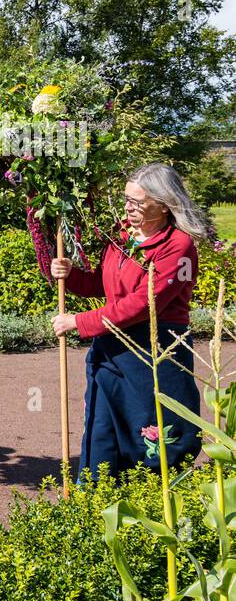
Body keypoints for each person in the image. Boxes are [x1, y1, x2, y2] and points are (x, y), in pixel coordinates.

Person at [50, 163, 206, 480]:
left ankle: (155, 503)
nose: (128, 207)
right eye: (126, 199)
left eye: (137, 201)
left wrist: (78, 322)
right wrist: (71, 275)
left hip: (155, 352)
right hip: (110, 350)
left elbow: (141, 304)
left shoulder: (178, 246)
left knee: (153, 430)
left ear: (163, 204)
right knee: (102, 426)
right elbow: (103, 284)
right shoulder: (124, 236)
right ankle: (94, 499)